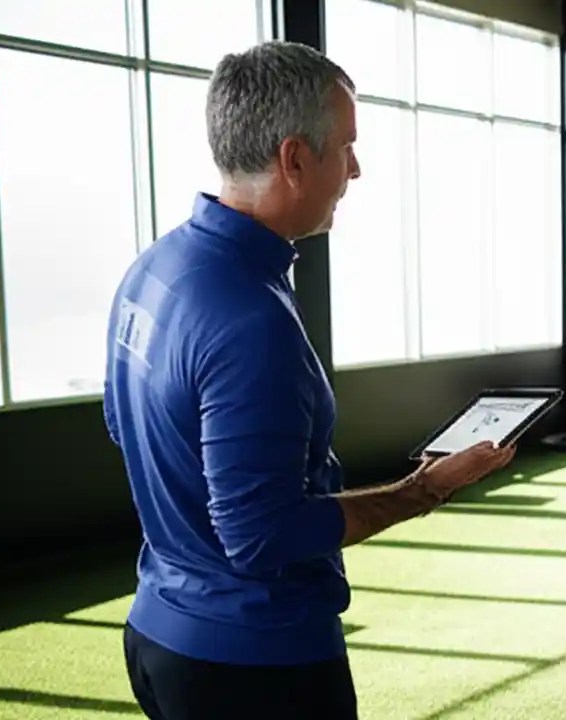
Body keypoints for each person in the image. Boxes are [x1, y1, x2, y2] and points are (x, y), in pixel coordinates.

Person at [102, 40, 513, 720]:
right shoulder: (249, 318)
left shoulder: (154, 266)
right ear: (294, 159)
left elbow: (125, 427)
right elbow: (261, 537)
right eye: (346, 147)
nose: (356, 168)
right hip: (252, 669)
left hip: (159, 635)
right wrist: (423, 490)